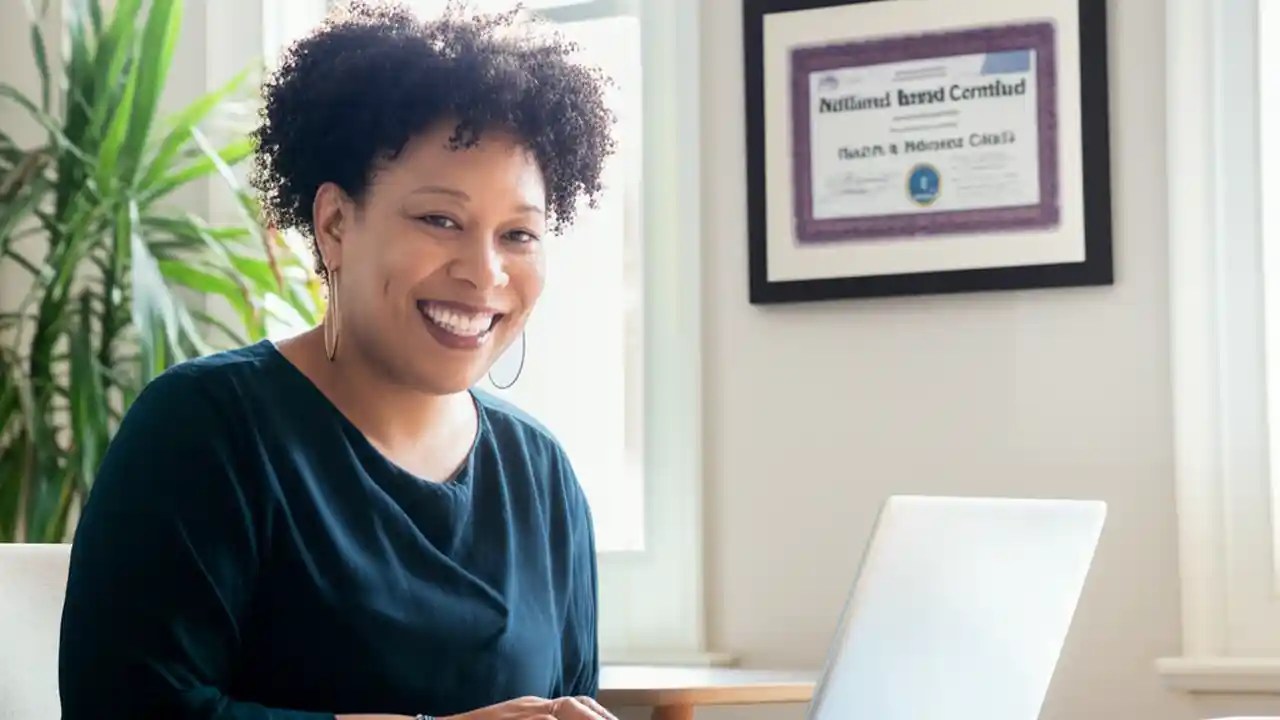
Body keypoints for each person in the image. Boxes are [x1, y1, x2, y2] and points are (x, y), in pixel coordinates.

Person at [57, 2, 618, 719]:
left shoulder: (542, 477)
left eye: (518, 234)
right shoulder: (205, 430)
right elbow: (125, 708)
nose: (484, 273)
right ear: (334, 224)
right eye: (439, 220)